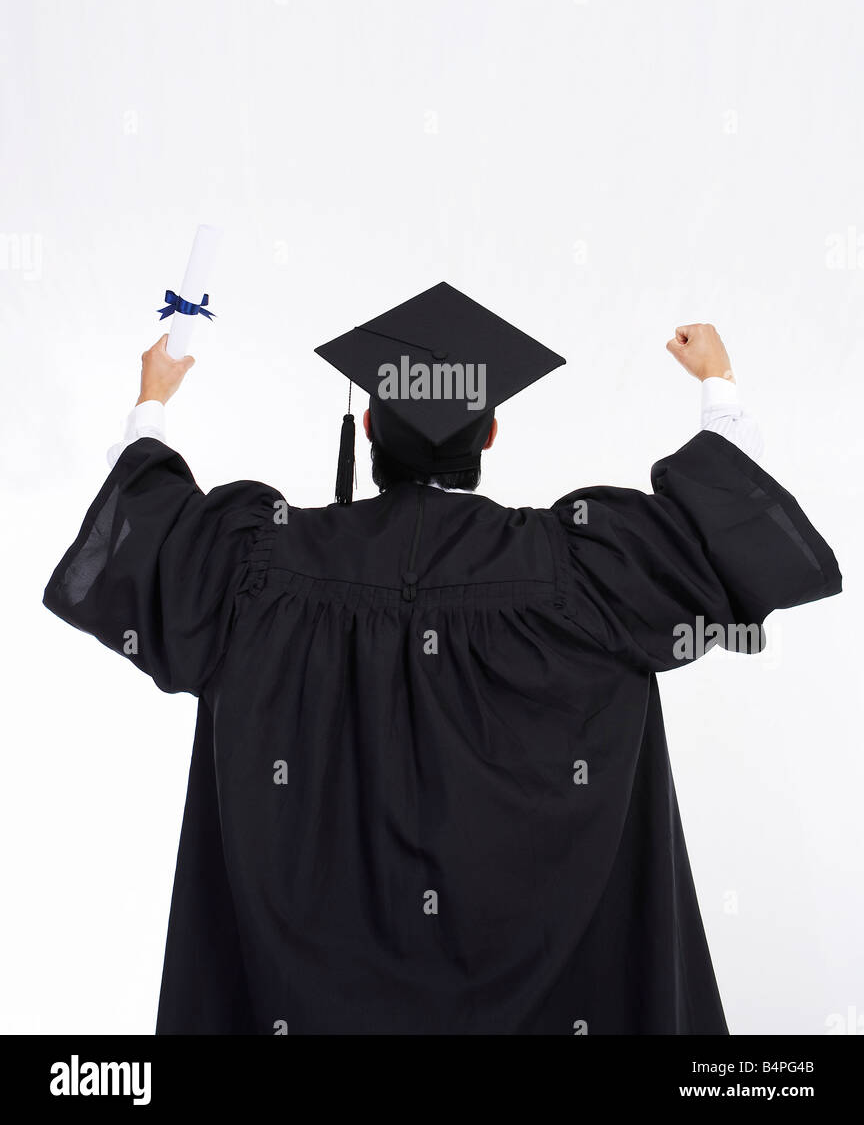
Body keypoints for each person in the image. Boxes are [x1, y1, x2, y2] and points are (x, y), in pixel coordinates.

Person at [43, 282, 841, 1035]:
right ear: (489, 433)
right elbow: (724, 541)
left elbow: (140, 543)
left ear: (366, 433)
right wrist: (719, 384)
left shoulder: (258, 568)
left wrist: (151, 400)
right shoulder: (581, 573)